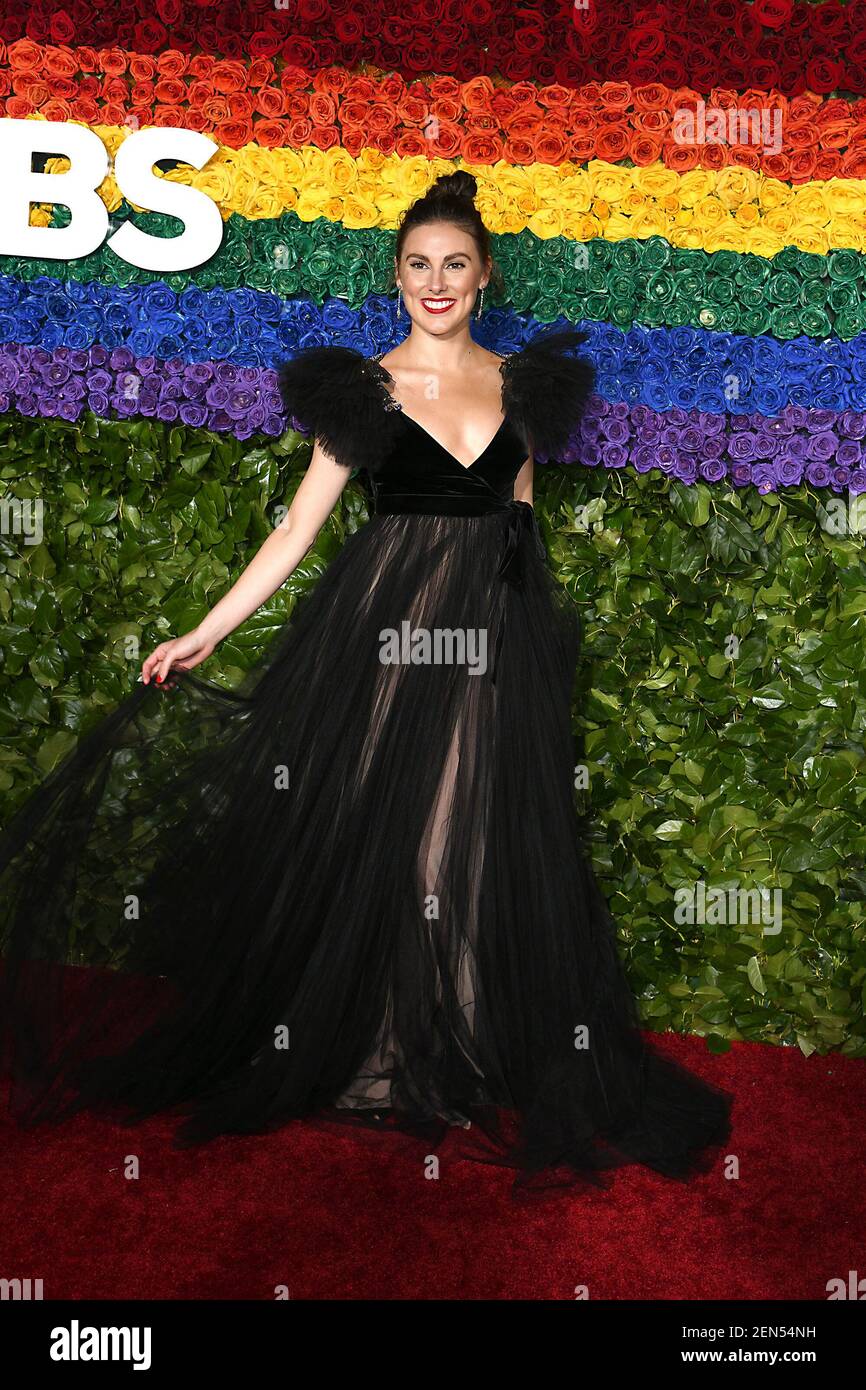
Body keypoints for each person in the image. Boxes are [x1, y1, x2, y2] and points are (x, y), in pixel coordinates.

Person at [0, 170, 732, 1195]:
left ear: (483, 277)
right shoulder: (367, 387)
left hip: (495, 647)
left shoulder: (526, 383)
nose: (435, 283)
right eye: (418, 266)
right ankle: (387, 1053)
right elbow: (298, 528)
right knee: (404, 845)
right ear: (397, 278)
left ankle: (464, 1050)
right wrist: (206, 630)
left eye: (454, 266)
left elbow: (520, 519)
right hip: (388, 639)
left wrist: (534, 647)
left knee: (471, 845)